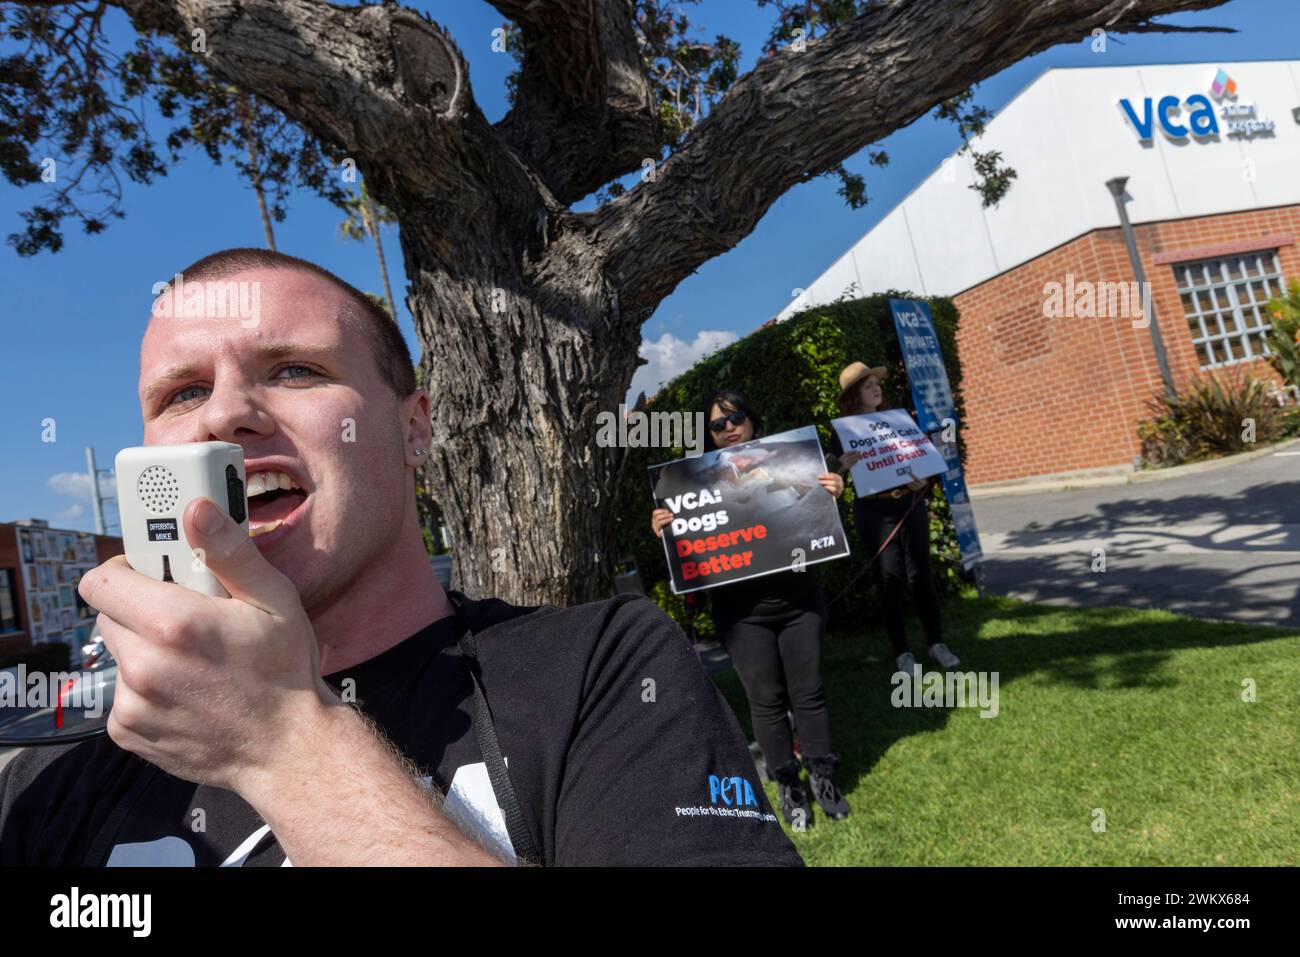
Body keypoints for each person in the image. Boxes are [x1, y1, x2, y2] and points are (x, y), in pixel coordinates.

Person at [0, 248, 802, 867]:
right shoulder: (65, 775)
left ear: (414, 429)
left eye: (294, 369)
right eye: (180, 392)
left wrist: (284, 742)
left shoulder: (604, 669)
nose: (227, 414)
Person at [652, 391, 851, 828]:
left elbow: (815, 513)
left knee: (810, 692)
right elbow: (689, 546)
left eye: (736, 417)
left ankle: (823, 776)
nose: (728, 428)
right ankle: (788, 784)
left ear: (753, 421)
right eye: (717, 425)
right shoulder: (693, 485)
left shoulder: (792, 462)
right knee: (765, 700)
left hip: (800, 601)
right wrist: (667, 530)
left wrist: (834, 487)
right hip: (742, 614)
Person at [832, 362, 960, 678]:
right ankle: (902, 653)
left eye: (877, 383)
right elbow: (830, 476)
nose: (876, 388)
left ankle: (936, 643)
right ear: (853, 395)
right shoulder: (843, 432)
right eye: (867, 385)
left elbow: (922, 460)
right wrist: (842, 466)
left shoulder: (899, 421)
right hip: (874, 511)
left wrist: (923, 482)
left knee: (921, 575)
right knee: (889, 579)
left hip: (909, 504)